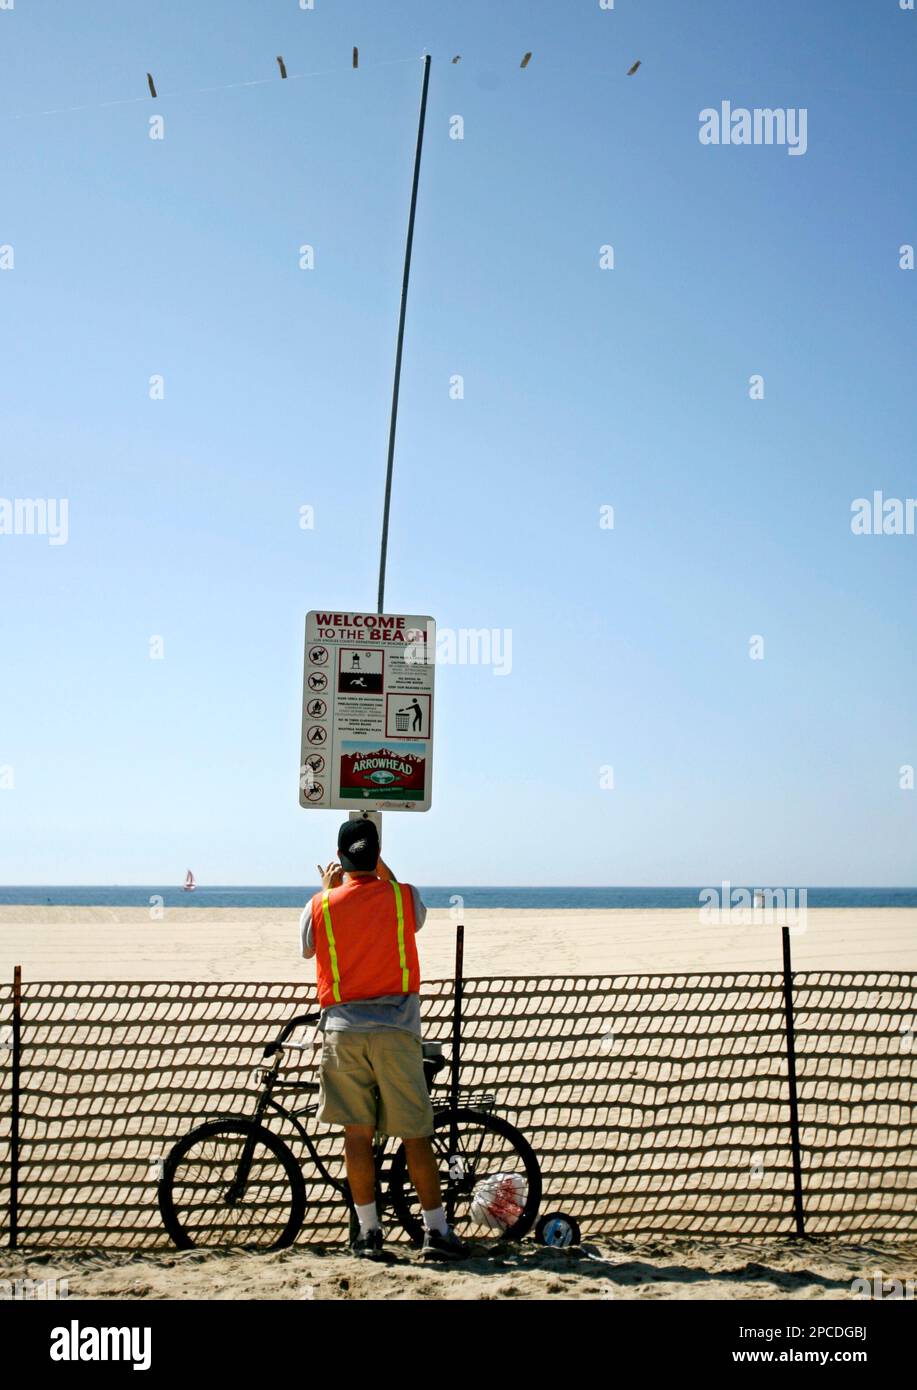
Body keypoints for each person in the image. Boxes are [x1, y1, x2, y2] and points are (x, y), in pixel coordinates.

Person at [300, 817, 469, 1262]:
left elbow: (307, 947)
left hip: (343, 1032)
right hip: (397, 1032)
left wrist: (326, 889)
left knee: (357, 1135)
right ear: (377, 856)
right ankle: (436, 1232)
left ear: (339, 859)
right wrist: (382, 870)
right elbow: (416, 917)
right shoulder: (402, 897)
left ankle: (369, 1235)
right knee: (415, 1134)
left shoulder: (320, 905)